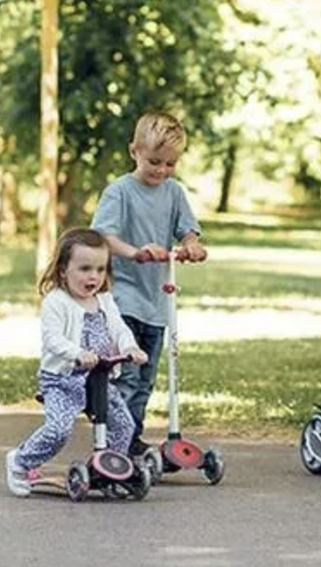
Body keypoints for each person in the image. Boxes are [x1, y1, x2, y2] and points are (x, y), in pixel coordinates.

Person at [91, 113, 207, 457]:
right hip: (124, 300)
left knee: (145, 380)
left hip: (157, 303)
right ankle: (117, 443)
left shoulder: (173, 192)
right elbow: (103, 236)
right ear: (134, 151)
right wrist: (135, 253)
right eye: (154, 161)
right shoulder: (120, 192)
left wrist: (191, 244)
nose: (161, 170)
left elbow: (187, 228)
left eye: (170, 163)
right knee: (126, 376)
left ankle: (132, 438)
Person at [5, 228, 148, 496]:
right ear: (62, 270)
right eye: (84, 268)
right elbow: (53, 340)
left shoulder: (104, 300)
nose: (93, 276)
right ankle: (20, 461)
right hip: (62, 379)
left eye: (100, 269)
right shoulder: (56, 302)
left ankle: (109, 470)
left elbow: (118, 329)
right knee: (58, 430)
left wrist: (130, 347)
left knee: (124, 425)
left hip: (98, 379)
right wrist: (77, 353)